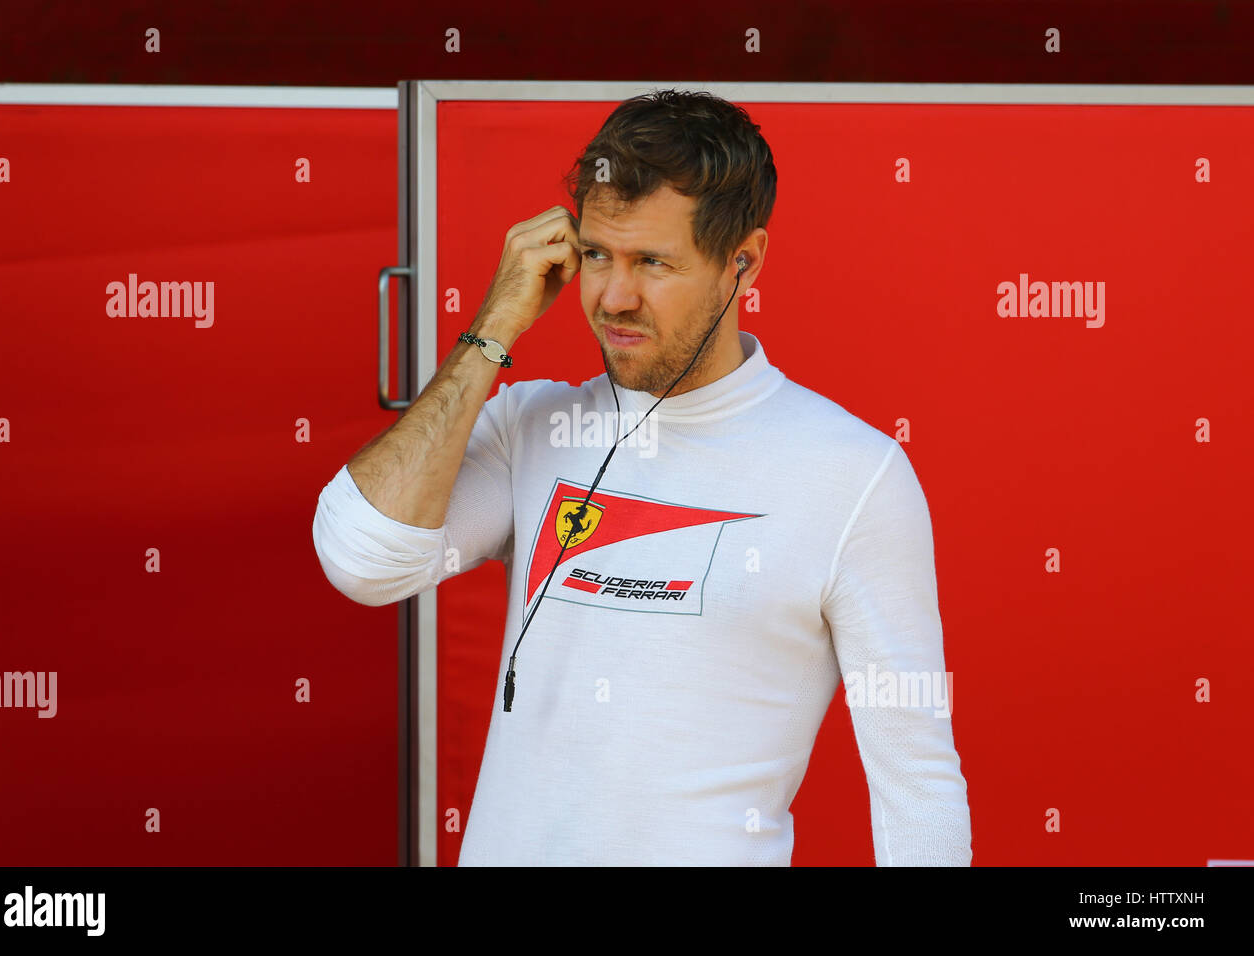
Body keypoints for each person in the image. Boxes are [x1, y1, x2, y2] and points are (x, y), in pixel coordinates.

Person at [312, 89, 972, 866]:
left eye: (652, 263)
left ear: (744, 262)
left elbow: (916, 777)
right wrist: (492, 329)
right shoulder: (534, 426)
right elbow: (362, 561)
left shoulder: (855, 475)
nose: (613, 298)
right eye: (597, 255)